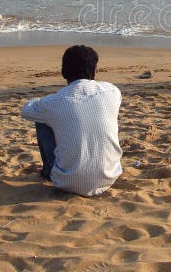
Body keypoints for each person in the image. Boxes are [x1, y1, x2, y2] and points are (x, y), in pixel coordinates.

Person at [20, 45, 122, 196]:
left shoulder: (54, 102)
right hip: (109, 177)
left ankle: (48, 170)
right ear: (94, 72)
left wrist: (41, 101)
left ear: (63, 72)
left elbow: (26, 111)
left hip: (66, 182)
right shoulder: (112, 91)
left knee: (41, 117)